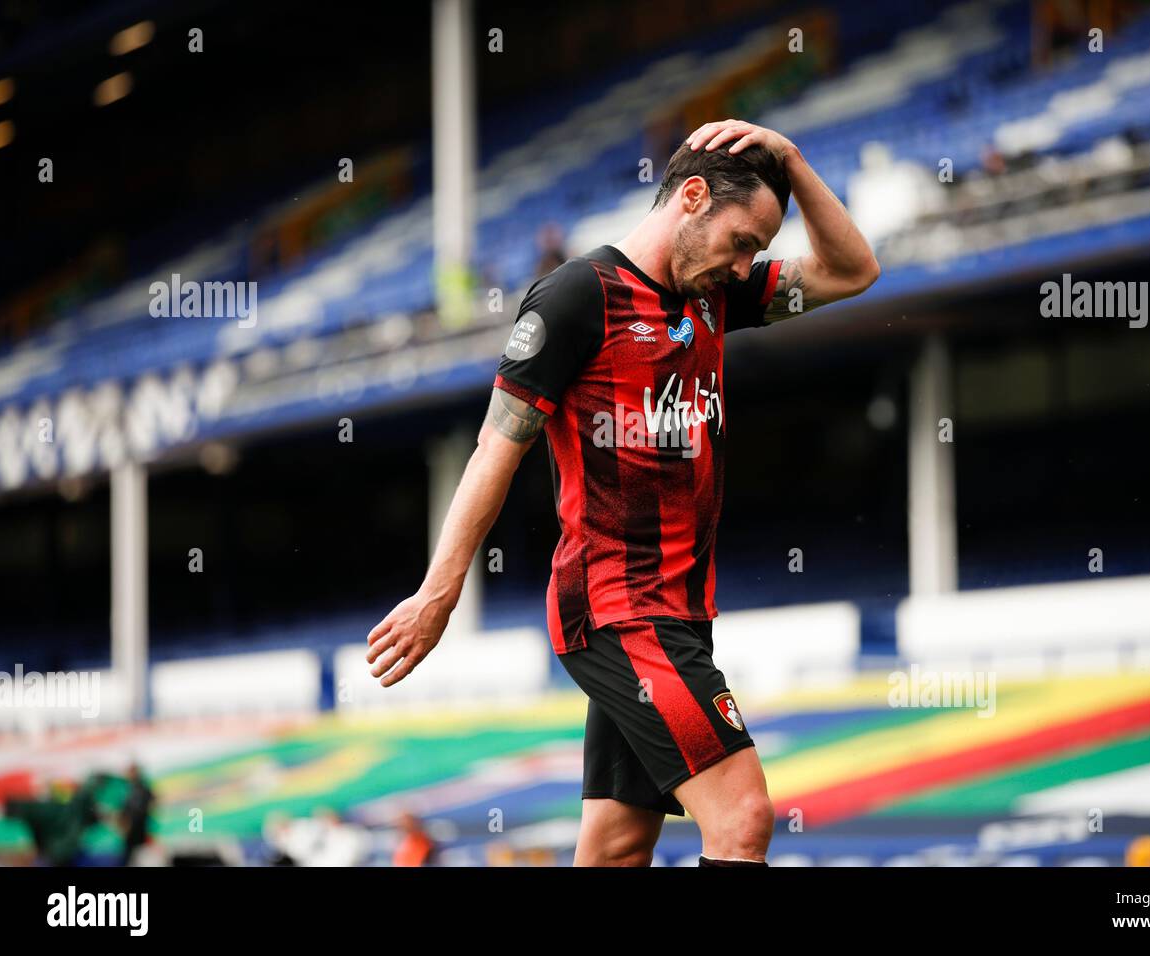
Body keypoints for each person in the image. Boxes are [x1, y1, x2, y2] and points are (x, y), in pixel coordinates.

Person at [367, 118, 880, 867]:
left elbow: (854, 270)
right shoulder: (578, 298)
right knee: (742, 816)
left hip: (680, 612)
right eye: (742, 242)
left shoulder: (714, 298)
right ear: (693, 197)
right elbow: (493, 451)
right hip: (619, 610)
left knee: (615, 846)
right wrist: (438, 594)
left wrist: (793, 163)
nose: (745, 267)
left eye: (756, 253)